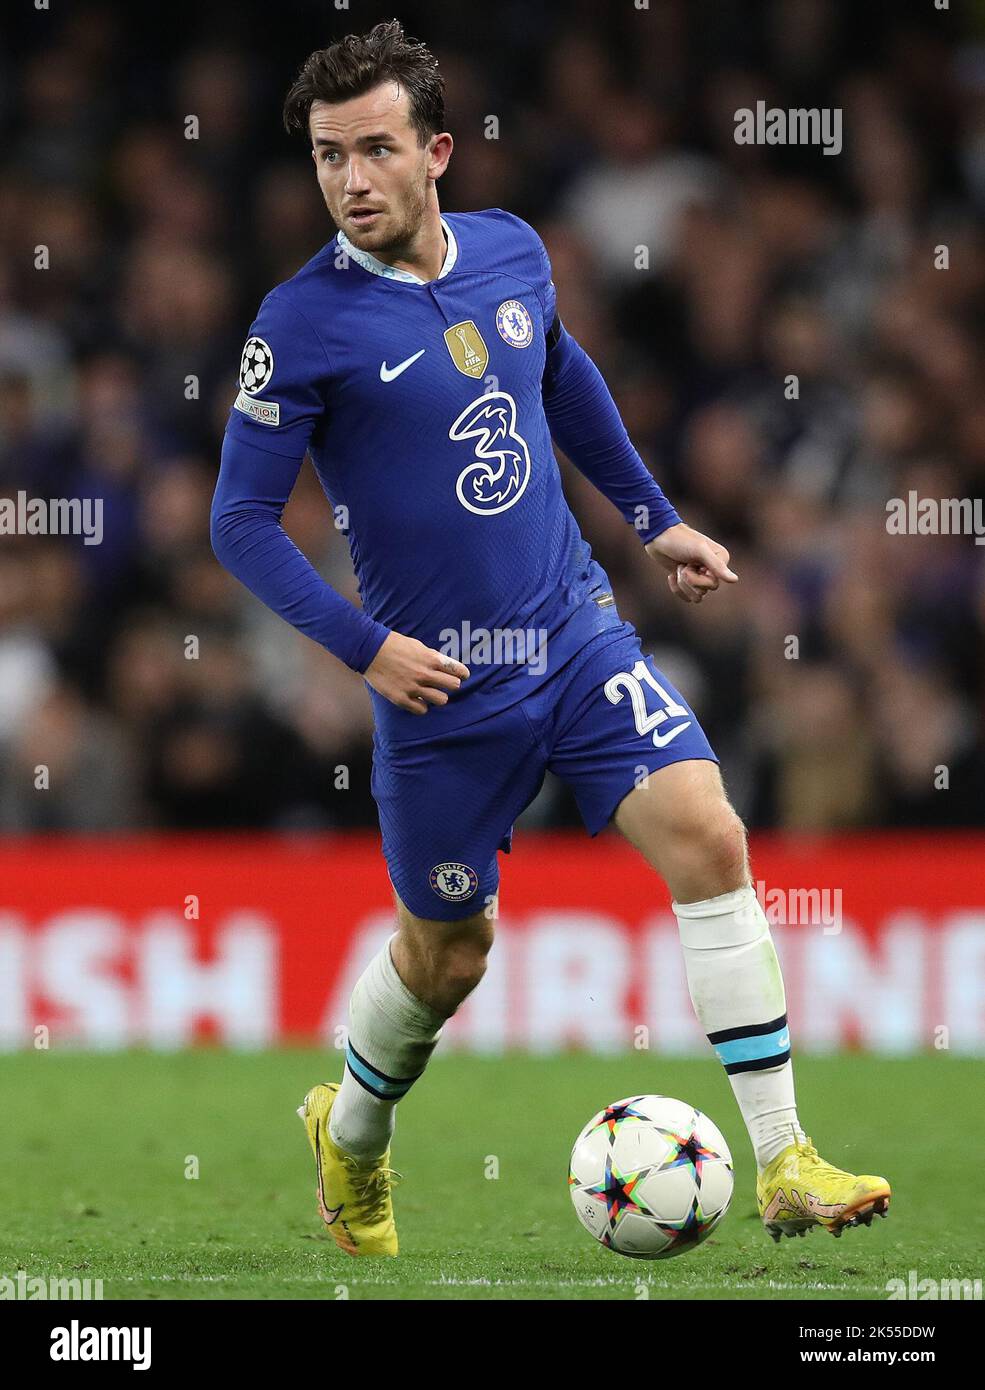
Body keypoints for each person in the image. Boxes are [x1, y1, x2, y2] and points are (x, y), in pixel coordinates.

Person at [210, 20, 889, 1257]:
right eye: (325, 157)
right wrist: (365, 648)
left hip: (572, 634)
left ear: (438, 155)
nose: (350, 181)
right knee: (448, 952)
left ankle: (784, 1155)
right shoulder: (297, 323)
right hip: (437, 690)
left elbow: (559, 374)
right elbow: (238, 520)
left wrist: (655, 520)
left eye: (373, 151)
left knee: (710, 834)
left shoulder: (516, 254)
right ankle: (351, 1135)